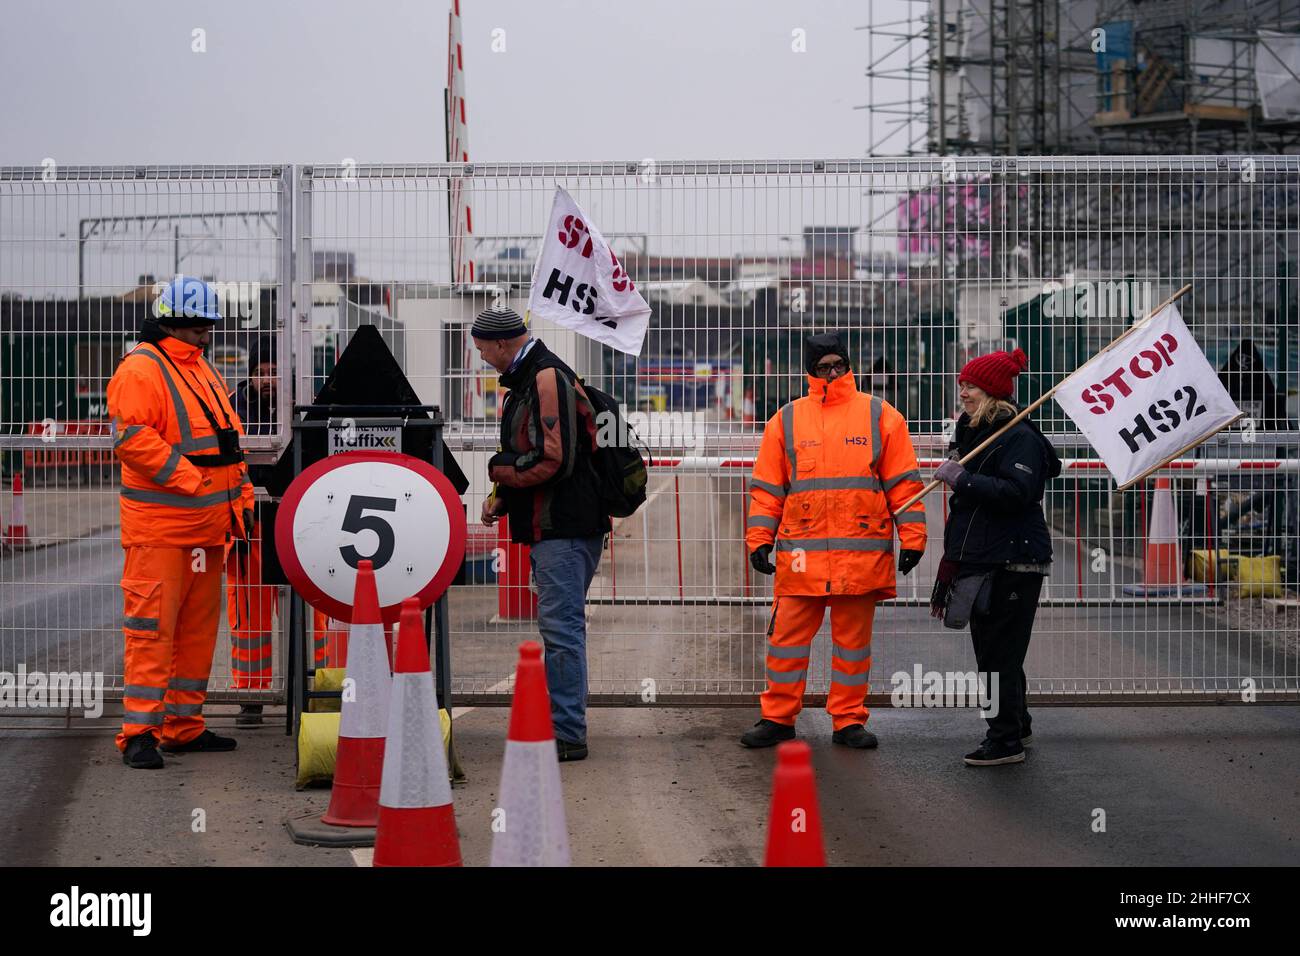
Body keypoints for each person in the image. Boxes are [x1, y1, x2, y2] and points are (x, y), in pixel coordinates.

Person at [743, 332, 927, 749]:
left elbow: (904, 484)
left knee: (852, 647)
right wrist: (759, 540)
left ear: (849, 365)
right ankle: (778, 718)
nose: (832, 372)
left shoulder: (881, 416)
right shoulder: (786, 420)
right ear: (810, 371)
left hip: (857, 561)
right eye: (823, 366)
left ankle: (847, 720)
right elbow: (768, 489)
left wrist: (913, 537)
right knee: (786, 642)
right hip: (802, 557)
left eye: (838, 365)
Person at [108, 276, 254, 769]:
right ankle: (139, 734)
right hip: (162, 533)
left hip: (207, 531)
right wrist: (193, 482)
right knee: (152, 634)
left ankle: (182, 726)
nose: (207, 335)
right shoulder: (142, 369)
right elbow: (132, 439)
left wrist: (242, 501)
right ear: (177, 323)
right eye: (200, 328)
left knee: (194, 635)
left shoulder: (199, 368)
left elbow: (228, 444)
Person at [474, 308, 610, 762]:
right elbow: (533, 452)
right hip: (558, 526)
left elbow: (553, 460)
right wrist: (501, 496)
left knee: (561, 629)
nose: (480, 357)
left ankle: (567, 734)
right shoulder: (530, 380)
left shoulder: (545, 379)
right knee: (562, 628)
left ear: (500, 344)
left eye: (481, 349)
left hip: (564, 528)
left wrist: (498, 471)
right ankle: (564, 725)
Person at [930, 347, 1061, 767]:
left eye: (970, 385)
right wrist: (961, 462)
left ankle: (1004, 741)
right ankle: (1015, 722)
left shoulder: (1018, 436)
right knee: (999, 651)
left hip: (1013, 561)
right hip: (986, 557)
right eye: (962, 384)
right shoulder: (976, 430)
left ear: (992, 392)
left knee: (997, 655)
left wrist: (964, 479)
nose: (962, 391)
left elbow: (1017, 493)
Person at [224, 336, 343, 725]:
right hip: (252, 519)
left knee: (312, 611)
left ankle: (317, 685)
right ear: (250, 375)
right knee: (249, 611)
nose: (268, 380)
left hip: (300, 517)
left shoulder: (304, 404)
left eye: (275, 373)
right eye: (261, 373)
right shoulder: (233, 406)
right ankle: (252, 696)